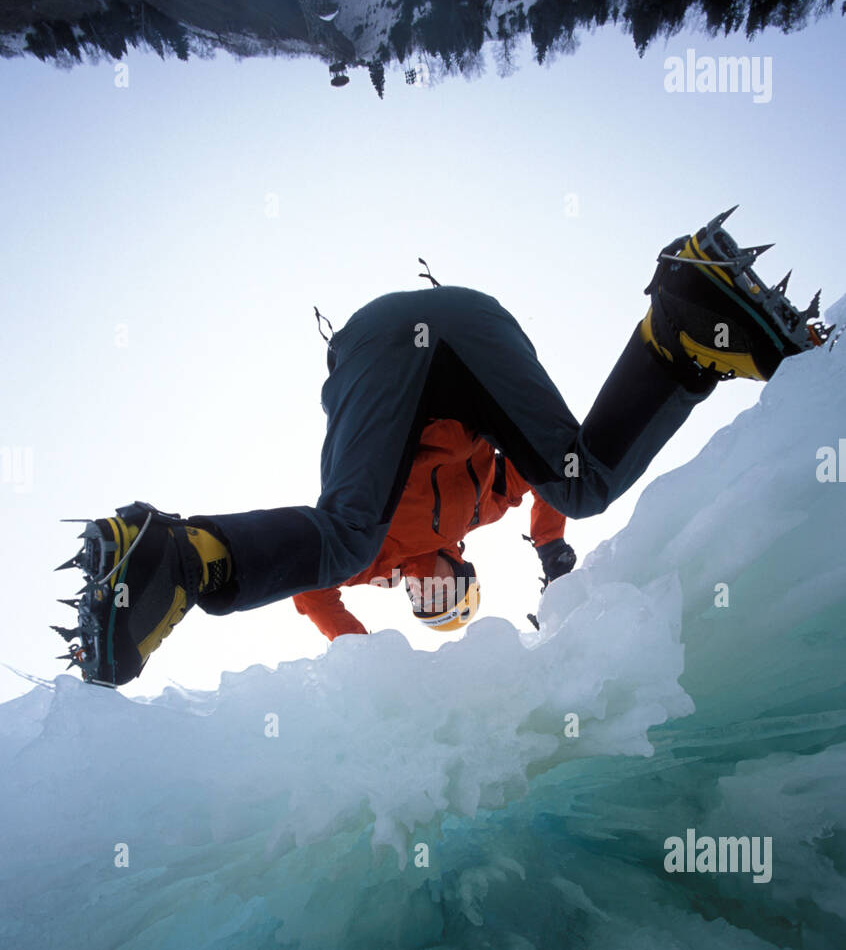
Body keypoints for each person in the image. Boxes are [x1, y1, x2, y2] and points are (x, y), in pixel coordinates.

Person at [55, 209, 830, 686]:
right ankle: (684, 336)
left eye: (431, 607)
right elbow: (544, 492)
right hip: (421, 344)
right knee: (582, 487)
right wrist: (552, 555)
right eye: (449, 601)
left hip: (435, 337)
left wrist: (368, 664)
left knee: (343, 533)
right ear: (463, 575)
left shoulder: (371, 561)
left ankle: (180, 557)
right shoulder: (490, 507)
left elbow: (314, 595)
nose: (432, 595)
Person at [292, 417, 577, 639]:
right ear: (461, 572)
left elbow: (308, 584)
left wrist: (363, 653)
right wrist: (550, 544)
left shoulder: (376, 558)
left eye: (420, 601)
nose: (426, 592)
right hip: (460, 391)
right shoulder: (484, 509)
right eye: (442, 593)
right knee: (588, 494)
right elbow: (547, 467)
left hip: (392, 407)